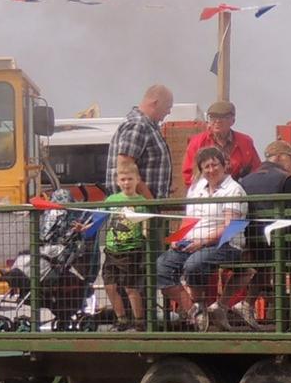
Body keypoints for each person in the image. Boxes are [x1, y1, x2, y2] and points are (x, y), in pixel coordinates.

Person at [155, 145, 248, 330]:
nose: (211, 170)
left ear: (224, 166)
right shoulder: (196, 188)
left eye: (215, 165)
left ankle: (200, 309)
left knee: (193, 264)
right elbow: (189, 219)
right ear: (201, 169)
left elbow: (230, 227)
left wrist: (201, 243)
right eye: (206, 166)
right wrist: (178, 238)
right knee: (161, 266)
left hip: (226, 244)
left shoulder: (234, 190)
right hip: (194, 242)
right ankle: (195, 311)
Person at [98, 157, 152, 331]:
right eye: (123, 179)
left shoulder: (142, 202)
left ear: (137, 180)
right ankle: (121, 318)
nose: (126, 182)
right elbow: (98, 217)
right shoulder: (111, 200)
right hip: (111, 250)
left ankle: (139, 320)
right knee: (110, 286)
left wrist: (145, 234)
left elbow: (146, 225)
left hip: (130, 251)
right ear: (117, 181)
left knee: (130, 287)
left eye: (130, 179)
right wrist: (85, 226)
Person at [105, 83, 173, 199]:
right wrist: (149, 202)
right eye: (167, 107)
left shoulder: (147, 125)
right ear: (155, 103)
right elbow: (125, 166)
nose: (169, 112)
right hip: (136, 208)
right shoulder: (138, 125)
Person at [180, 101, 261, 188]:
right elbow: (188, 174)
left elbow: (256, 171)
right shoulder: (197, 142)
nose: (217, 121)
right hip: (206, 194)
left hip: (239, 192)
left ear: (232, 121)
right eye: (213, 117)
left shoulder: (245, 142)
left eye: (223, 117)